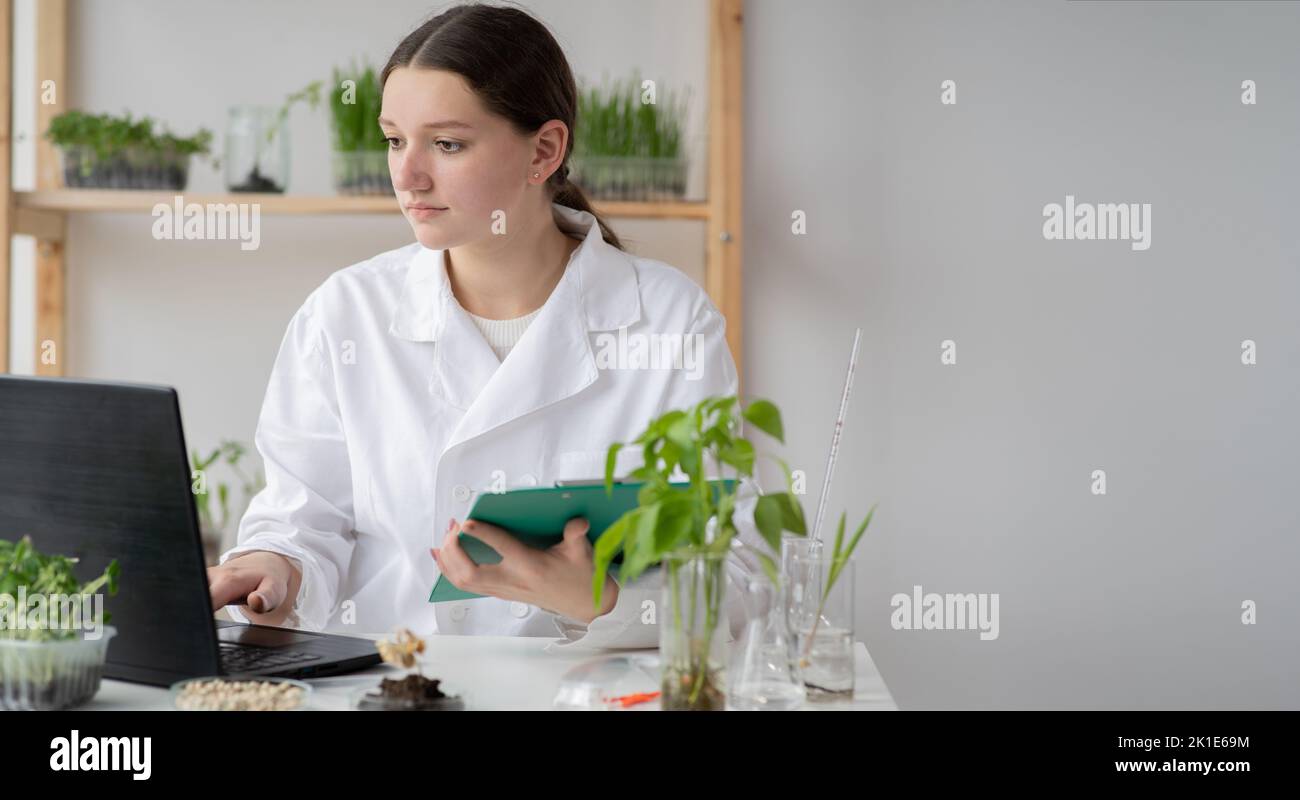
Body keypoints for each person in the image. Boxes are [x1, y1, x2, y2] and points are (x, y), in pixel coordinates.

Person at [206, 3, 762, 649]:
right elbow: (303, 521)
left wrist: (605, 601)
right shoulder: (345, 313)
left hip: (576, 692)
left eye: (447, 144)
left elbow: (743, 575)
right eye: (394, 139)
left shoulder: (669, 321)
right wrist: (276, 568)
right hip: (391, 683)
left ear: (543, 151)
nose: (407, 176)